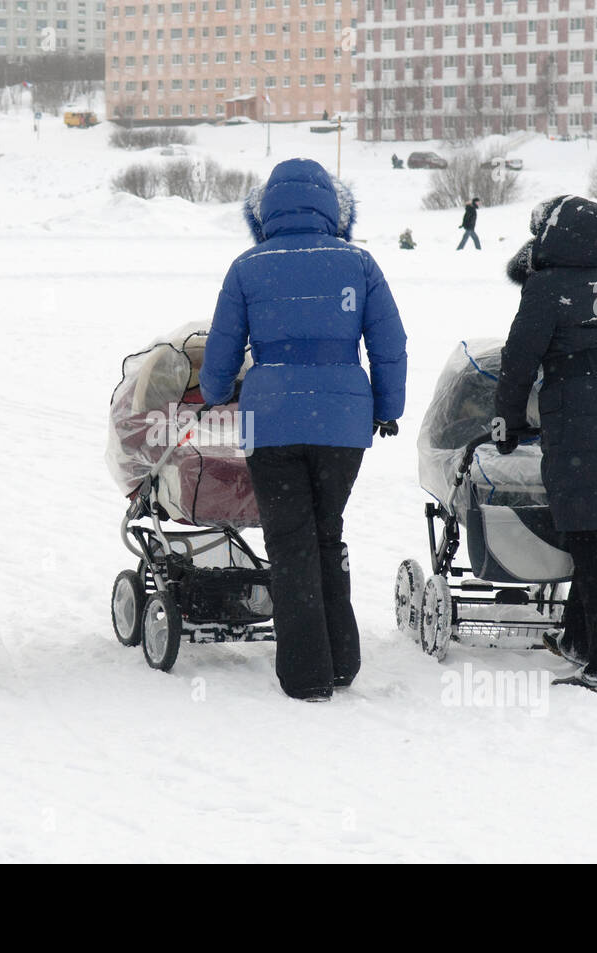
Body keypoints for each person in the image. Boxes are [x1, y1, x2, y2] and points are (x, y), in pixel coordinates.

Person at [200, 159, 407, 702]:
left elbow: (222, 347)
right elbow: (389, 344)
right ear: (333, 208)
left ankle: (306, 672)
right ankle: (343, 660)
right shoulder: (359, 262)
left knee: (290, 541)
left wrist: (217, 393)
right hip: (343, 423)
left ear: (265, 210)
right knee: (327, 532)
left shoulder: (247, 266)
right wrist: (387, 409)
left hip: (271, 420)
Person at [494, 195, 597, 696]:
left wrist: (507, 422)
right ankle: (580, 640)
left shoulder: (546, 286)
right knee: (592, 532)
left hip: (580, 413)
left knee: (590, 542)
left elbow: (518, 361)